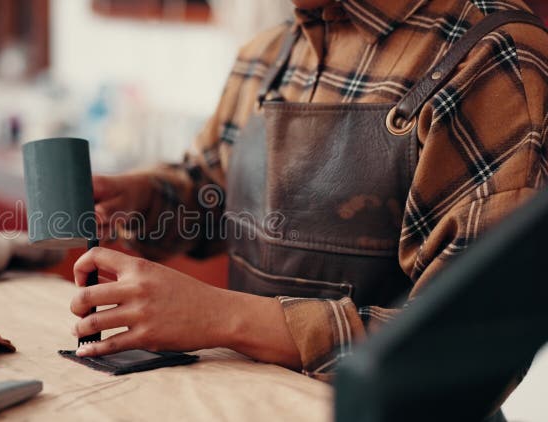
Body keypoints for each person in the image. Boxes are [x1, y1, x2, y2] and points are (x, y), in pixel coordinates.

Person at [69, 0, 548, 385]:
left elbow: (462, 342)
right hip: (251, 402)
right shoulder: (267, 53)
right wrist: (144, 197)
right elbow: (213, 193)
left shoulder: (488, 57)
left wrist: (217, 316)